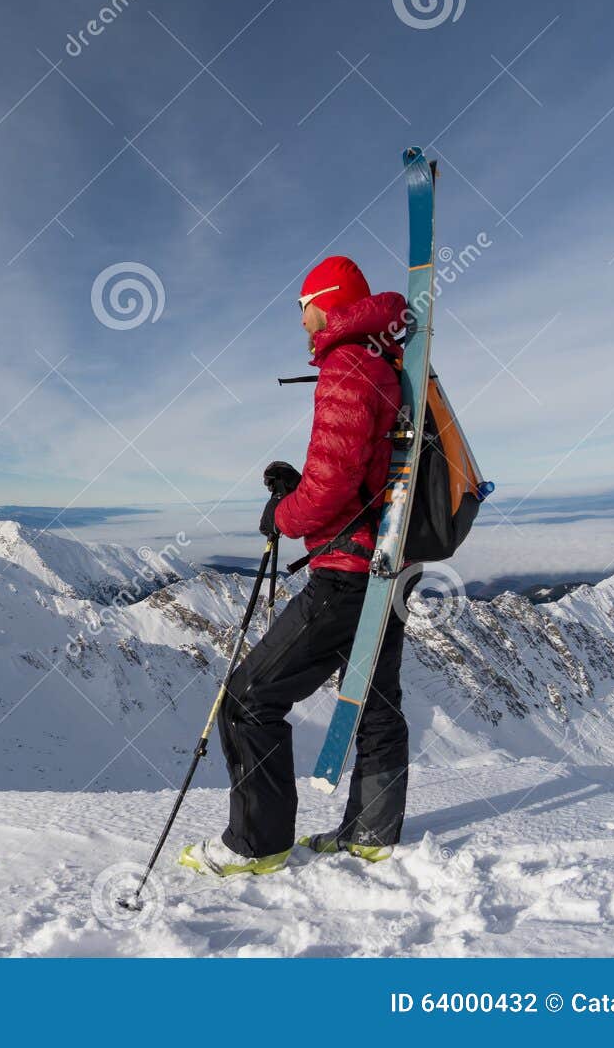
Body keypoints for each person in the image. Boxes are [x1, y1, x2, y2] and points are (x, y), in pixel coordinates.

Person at [179, 255, 414, 878]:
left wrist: (284, 514)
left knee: (247, 701)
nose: (301, 321)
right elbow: (355, 466)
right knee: (376, 701)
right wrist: (298, 485)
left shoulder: (346, 363)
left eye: (302, 306)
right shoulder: (384, 363)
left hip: (347, 570)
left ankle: (256, 845)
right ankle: (371, 833)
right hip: (389, 566)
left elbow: (335, 486)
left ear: (326, 299)